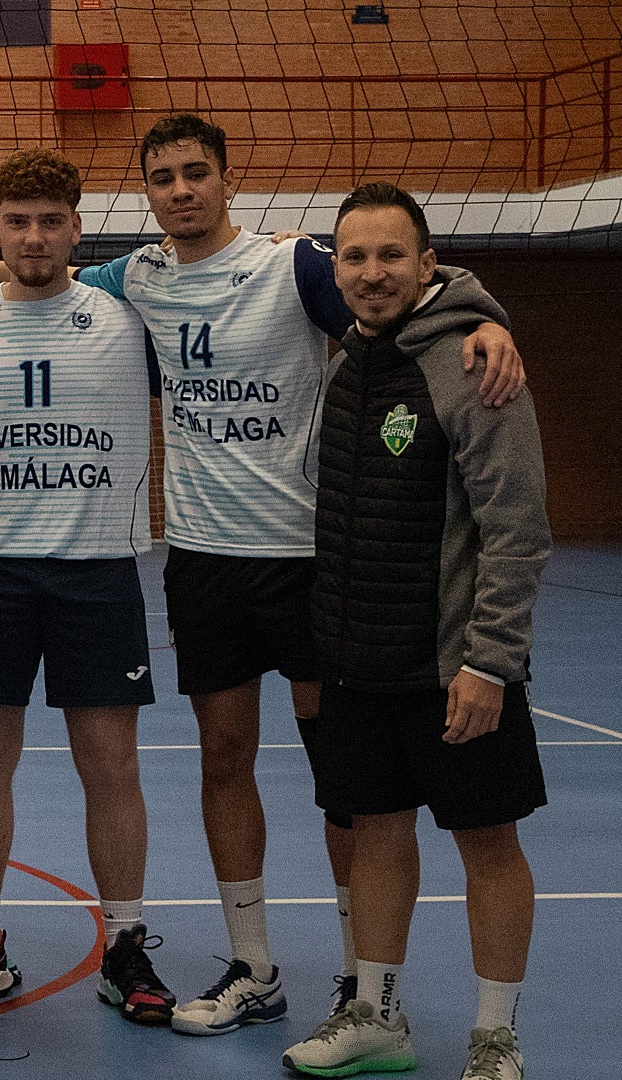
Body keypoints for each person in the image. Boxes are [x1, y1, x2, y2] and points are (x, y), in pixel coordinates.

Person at [69, 113, 524, 1034]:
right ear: (146, 192)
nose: (182, 190)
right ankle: (254, 966)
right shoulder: (139, 276)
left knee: (343, 777)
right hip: (203, 558)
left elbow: (403, 295)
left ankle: (361, 980)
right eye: (163, 177)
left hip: (313, 560)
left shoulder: (294, 265)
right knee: (224, 757)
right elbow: (36, 273)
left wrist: (491, 321)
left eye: (197, 172)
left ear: (227, 179)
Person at [0, 149, 172, 1025]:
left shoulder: (128, 315)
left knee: (112, 766)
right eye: (18, 221)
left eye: (52, 221)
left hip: (99, 569)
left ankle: (125, 945)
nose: (35, 237)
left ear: (77, 230)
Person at [280, 183, 548, 1080]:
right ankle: (377, 1015)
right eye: (354, 256)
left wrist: (490, 664)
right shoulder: (348, 363)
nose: (372, 272)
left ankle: (496, 1037)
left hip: (453, 668)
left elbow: (517, 529)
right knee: (378, 834)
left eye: (392, 254)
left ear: (429, 264)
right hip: (358, 659)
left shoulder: (476, 364)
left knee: (489, 846)